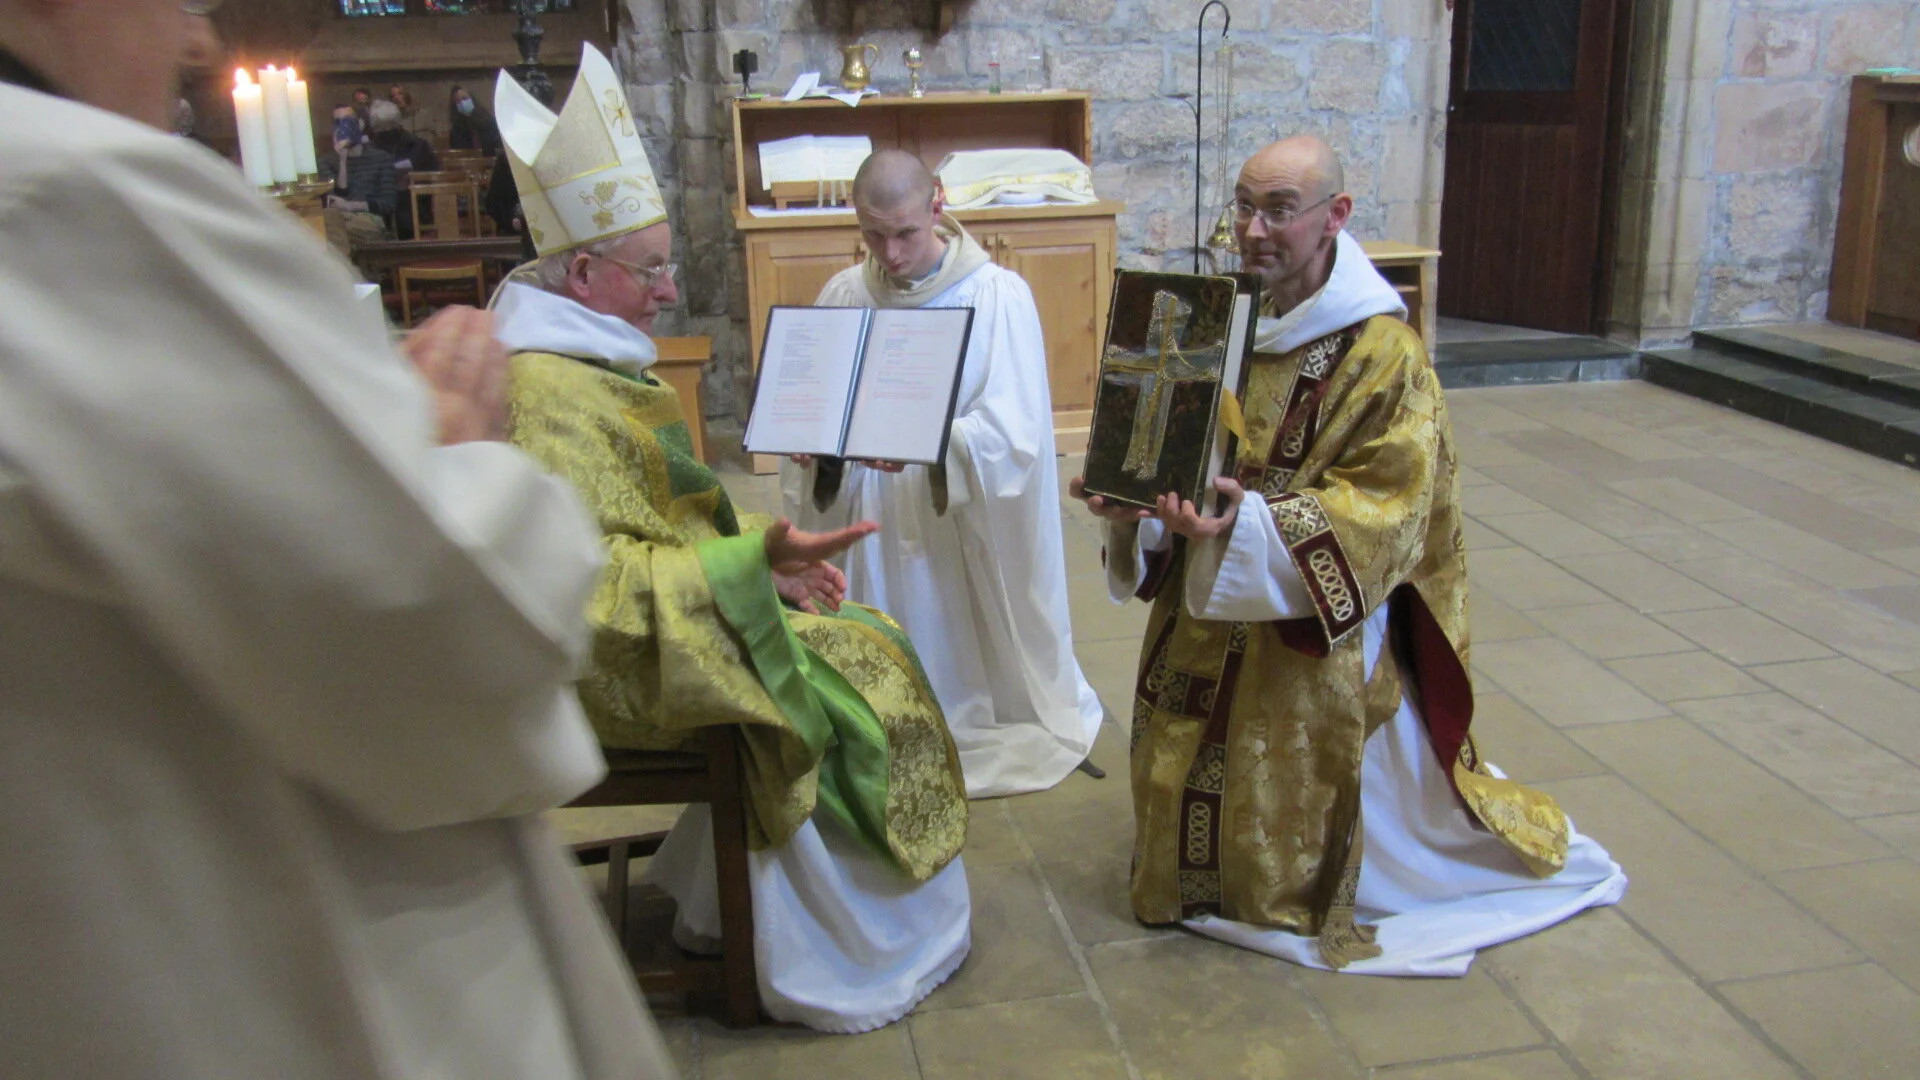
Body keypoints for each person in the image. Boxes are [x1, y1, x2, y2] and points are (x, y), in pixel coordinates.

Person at [0, 4, 674, 1078]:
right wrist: (453, 451)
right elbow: (441, 621)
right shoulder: (70, 197)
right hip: (288, 964)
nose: (190, 38)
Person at [490, 46, 971, 1033]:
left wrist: (763, 557)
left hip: (660, 620)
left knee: (864, 634)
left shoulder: (582, 362)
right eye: (650, 270)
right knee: (856, 672)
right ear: (580, 271)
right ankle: (831, 943)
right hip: (610, 660)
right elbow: (581, 586)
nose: (669, 292)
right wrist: (743, 573)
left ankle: (733, 900)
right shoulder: (547, 399)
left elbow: (661, 517)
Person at [1072, 136, 1626, 975]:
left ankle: (1282, 890)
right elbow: (1174, 449)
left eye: (1280, 210)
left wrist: (1249, 528)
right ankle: (1193, 881)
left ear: (1336, 217)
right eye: (1244, 206)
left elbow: (1392, 509)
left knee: (1278, 776)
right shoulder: (1218, 319)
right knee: (1180, 745)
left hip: (1306, 627)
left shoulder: (1384, 357)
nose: (1254, 229)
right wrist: (1142, 507)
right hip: (1204, 602)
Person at [781, 150, 1104, 798]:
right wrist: (809, 440)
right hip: (863, 512)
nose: (890, 253)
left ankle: (954, 709)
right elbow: (812, 401)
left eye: (904, 232)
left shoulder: (996, 296)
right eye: (873, 235)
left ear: (938, 203)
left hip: (944, 515)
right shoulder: (844, 293)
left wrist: (930, 445)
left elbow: (1017, 437)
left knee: (947, 649)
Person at [367, 98, 437, 238]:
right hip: (380, 203)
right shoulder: (371, 149)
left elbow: (431, 175)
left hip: (414, 202)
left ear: (397, 123)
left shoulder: (418, 145)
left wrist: (408, 179)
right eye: (380, 128)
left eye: (389, 126)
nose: (385, 131)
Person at [327, 104, 394, 244]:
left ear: (360, 124)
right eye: (338, 123)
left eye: (348, 122)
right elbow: (334, 200)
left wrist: (350, 206)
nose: (343, 129)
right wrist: (342, 160)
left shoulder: (381, 158)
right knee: (331, 227)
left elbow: (388, 203)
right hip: (337, 220)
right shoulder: (327, 162)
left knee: (333, 233)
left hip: (368, 220)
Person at [448, 83, 500, 154]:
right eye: (458, 101)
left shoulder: (490, 122)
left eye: (464, 98)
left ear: (472, 100)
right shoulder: (456, 131)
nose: (462, 103)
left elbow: (496, 147)